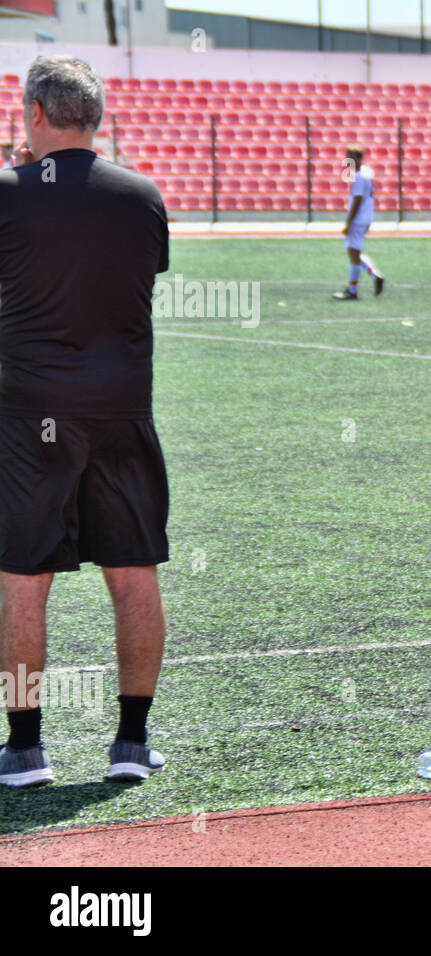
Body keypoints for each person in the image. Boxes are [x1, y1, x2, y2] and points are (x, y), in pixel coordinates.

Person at [0, 56, 171, 787]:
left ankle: (26, 749)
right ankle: (130, 745)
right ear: (92, 117)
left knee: (21, 579)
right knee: (132, 573)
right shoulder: (142, 195)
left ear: (37, 112)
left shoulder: (8, 194)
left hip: (30, 415)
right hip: (123, 410)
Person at [333, 145, 384, 300]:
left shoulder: (360, 176)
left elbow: (357, 200)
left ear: (358, 158)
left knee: (353, 254)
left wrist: (349, 222)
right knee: (354, 252)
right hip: (366, 217)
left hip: (358, 219)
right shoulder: (367, 172)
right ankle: (371, 276)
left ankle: (355, 289)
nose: (347, 160)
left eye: (350, 157)